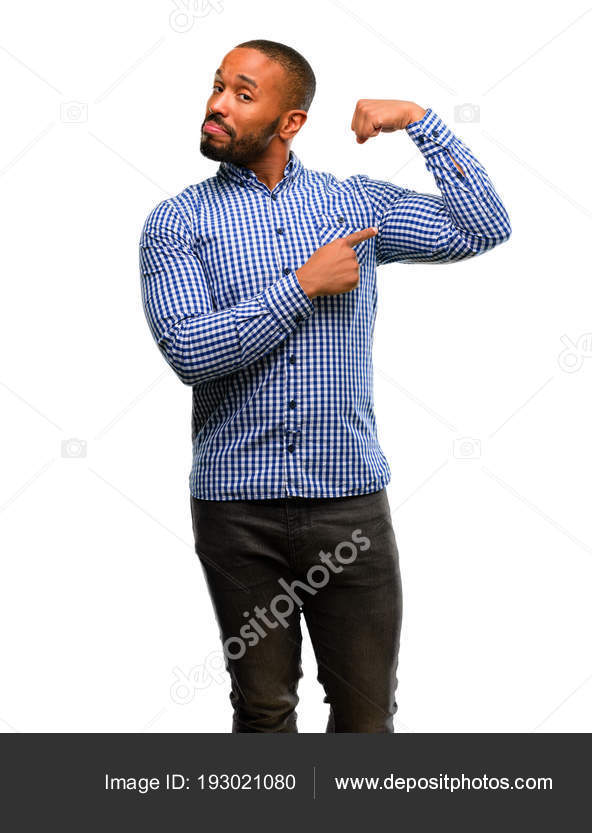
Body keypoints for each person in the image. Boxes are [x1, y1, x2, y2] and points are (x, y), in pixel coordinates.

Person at [139, 40, 510, 732]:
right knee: (263, 708)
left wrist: (421, 122)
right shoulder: (177, 222)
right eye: (218, 86)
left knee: (367, 714)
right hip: (234, 509)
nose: (218, 104)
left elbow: (483, 226)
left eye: (243, 94)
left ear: (291, 123)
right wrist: (303, 285)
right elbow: (190, 350)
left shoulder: (354, 205)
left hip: (351, 508)